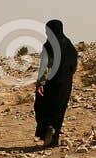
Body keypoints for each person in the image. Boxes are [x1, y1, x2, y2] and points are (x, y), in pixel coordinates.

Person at [33, 18, 78, 147]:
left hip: (50, 83)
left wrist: (41, 82)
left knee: (42, 106)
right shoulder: (69, 44)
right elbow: (74, 65)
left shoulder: (49, 45)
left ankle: (47, 130)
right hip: (65, 83)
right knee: (59, 109)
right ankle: (54, 138)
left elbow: (46, 64)